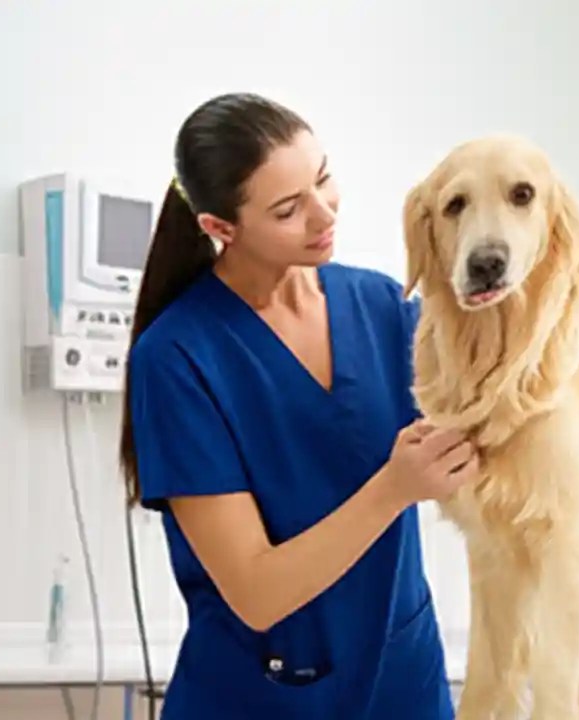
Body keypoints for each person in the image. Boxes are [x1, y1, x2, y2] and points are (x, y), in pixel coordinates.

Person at [118, 92, 478, 719]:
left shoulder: (386, 308)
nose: (322, 214)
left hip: (401, 683)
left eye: (323, 178)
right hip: (260, 697)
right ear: (220, 229)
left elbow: (495, 423)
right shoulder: (177, 356)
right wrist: (394, 488)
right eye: (288, 209)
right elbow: (256, 592)